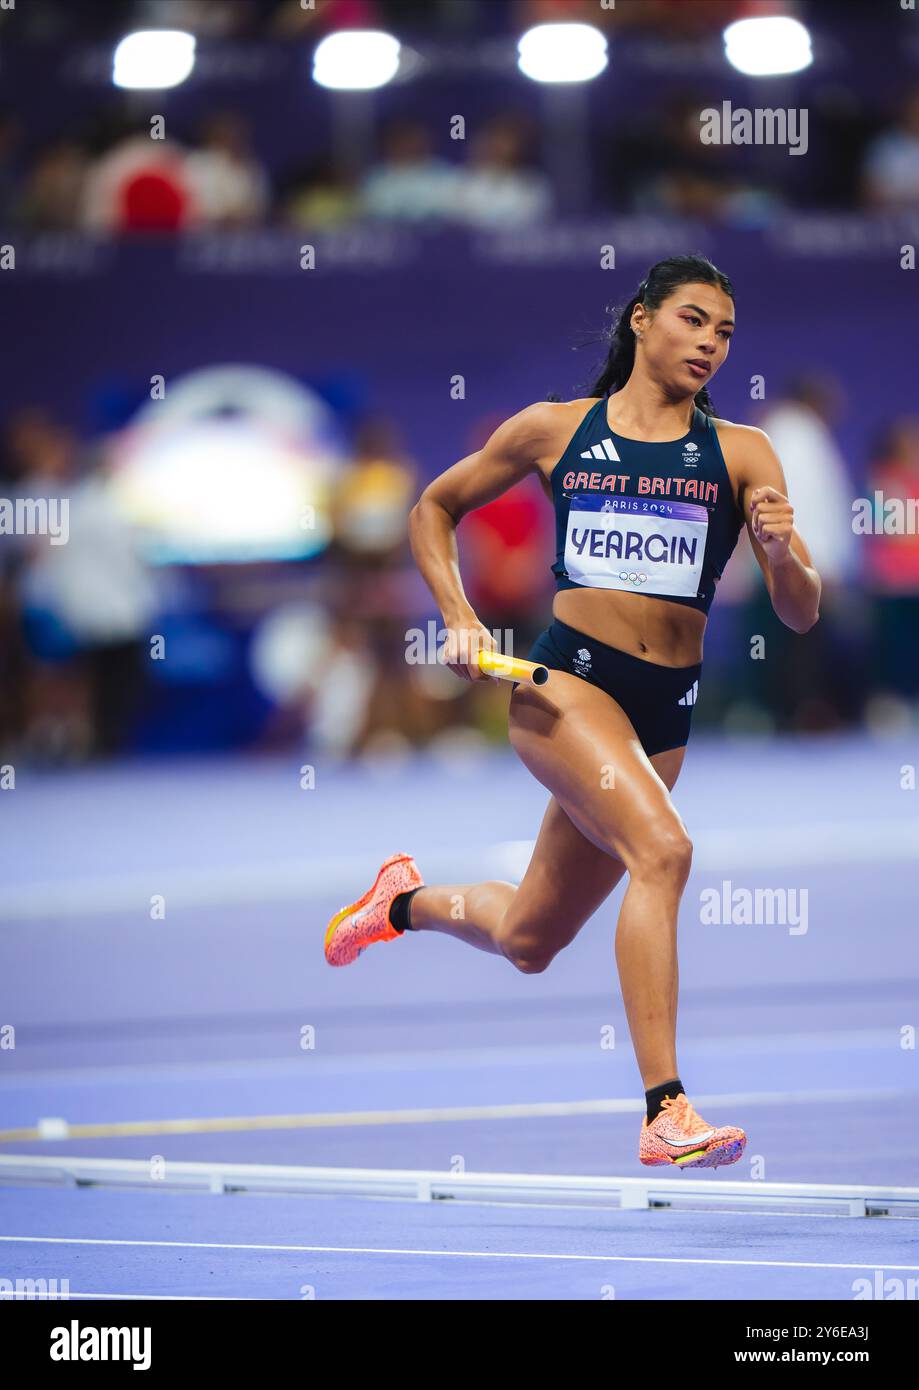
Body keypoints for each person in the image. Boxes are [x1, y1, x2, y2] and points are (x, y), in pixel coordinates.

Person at [324, 254, 822, 1170]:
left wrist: (782, 556)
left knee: (528, 940)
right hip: (564, 689)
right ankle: (665, 1109)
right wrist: (460, 619)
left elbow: (798, 612)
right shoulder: (554, 432)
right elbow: (434, 507)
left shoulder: (742, 451)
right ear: (641, 319)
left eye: (723, 331)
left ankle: (403, 901)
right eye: (691, 319)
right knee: (663, 852)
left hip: (662, 716)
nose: (709, 342)